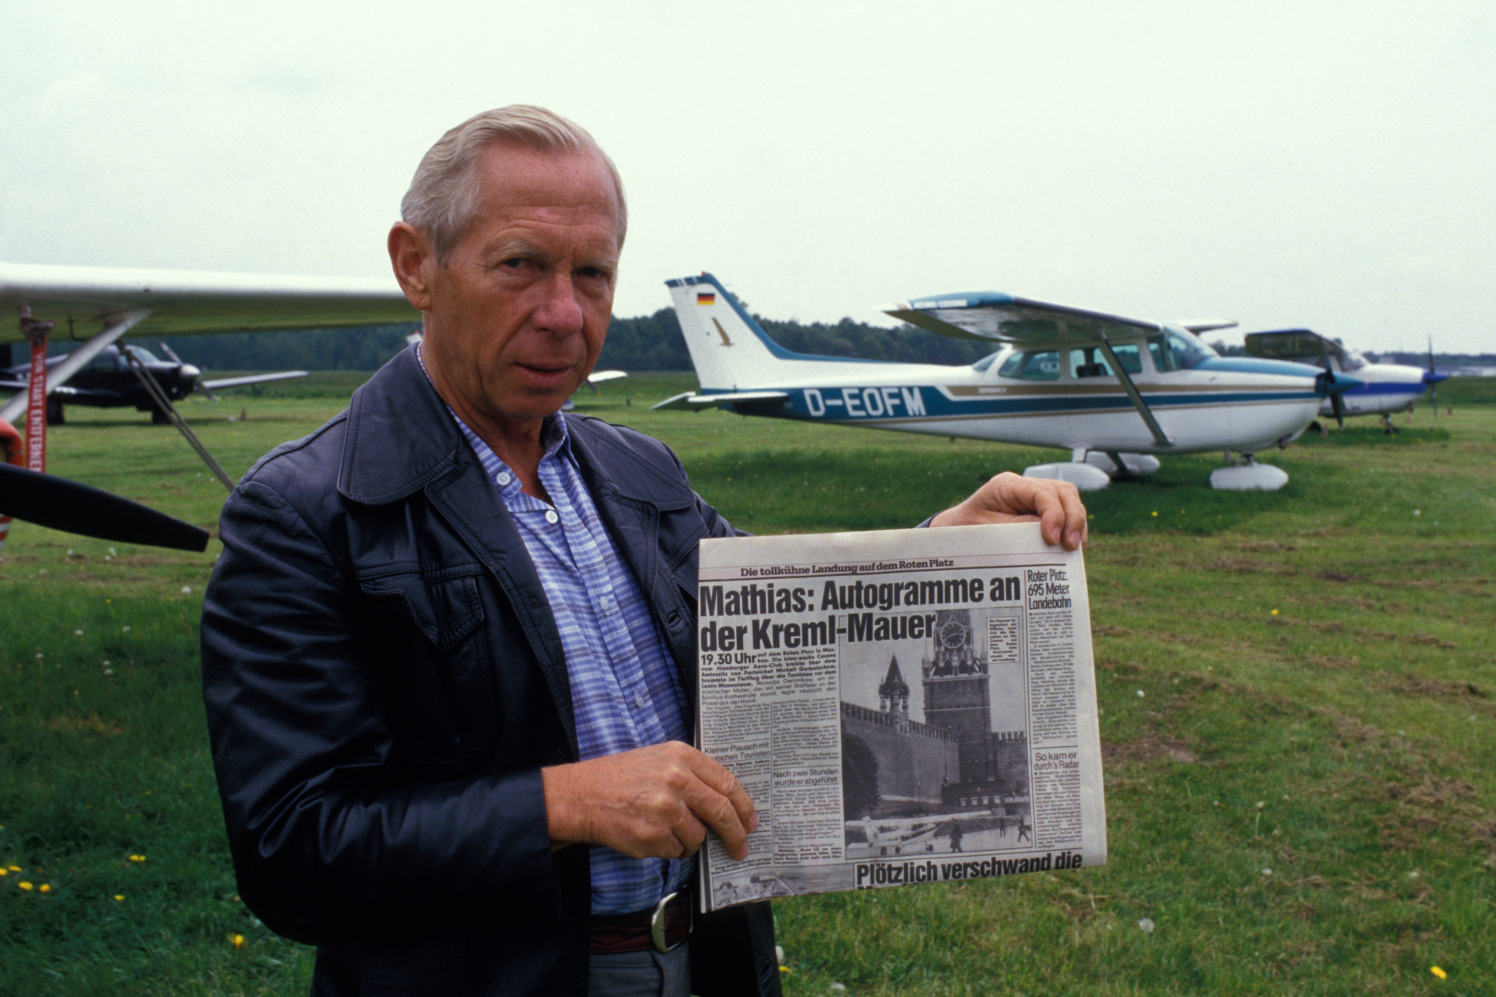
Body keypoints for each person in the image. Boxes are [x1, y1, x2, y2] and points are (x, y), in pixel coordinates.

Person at [200, 105, 1087, 997]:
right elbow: (292, 849)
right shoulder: (307, 511)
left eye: (593, 274)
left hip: (704, 958)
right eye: (520, 264)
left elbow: (783, 619)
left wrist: (943, 546)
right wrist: (564, 802)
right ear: (416, 265)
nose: (564, 313)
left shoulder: (638, 469)